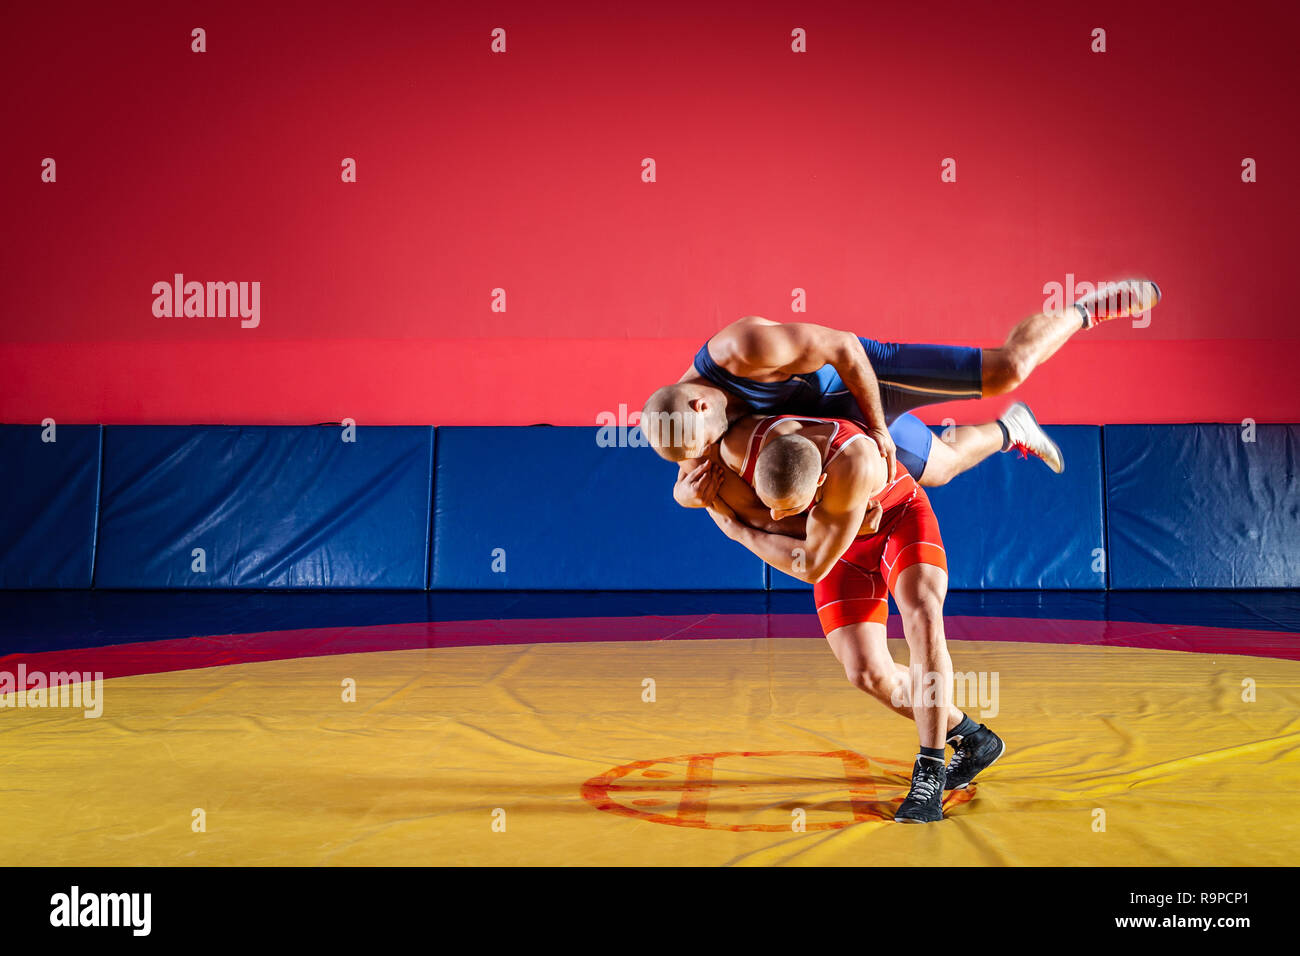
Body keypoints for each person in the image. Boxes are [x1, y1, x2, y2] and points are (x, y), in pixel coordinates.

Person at [702, 410, 1005, 822]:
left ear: (821, 483)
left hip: (897, 521)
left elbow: (810, 567)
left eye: (790, 509)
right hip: (840, 547)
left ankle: (930, 769)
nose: (776, 518)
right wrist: (690, 491)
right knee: (866, 673)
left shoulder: (857, 461)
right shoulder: (740, 444)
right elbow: (687, 469)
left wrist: (739, 532)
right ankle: (971, 736)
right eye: (773, 507)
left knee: (924, 617)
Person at [641, 279, 1161, 497]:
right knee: (941, 470)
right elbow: (691, 479)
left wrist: (876, 428)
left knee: (1007, 369)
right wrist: (684, 495)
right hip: (838, 423)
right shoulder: (688, 421)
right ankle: (1010, 430)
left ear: (701, 400)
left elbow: (843, 346)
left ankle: (1084, 308)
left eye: (705, 441)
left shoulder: (744, 349)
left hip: (858, 376)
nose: (707, 450)